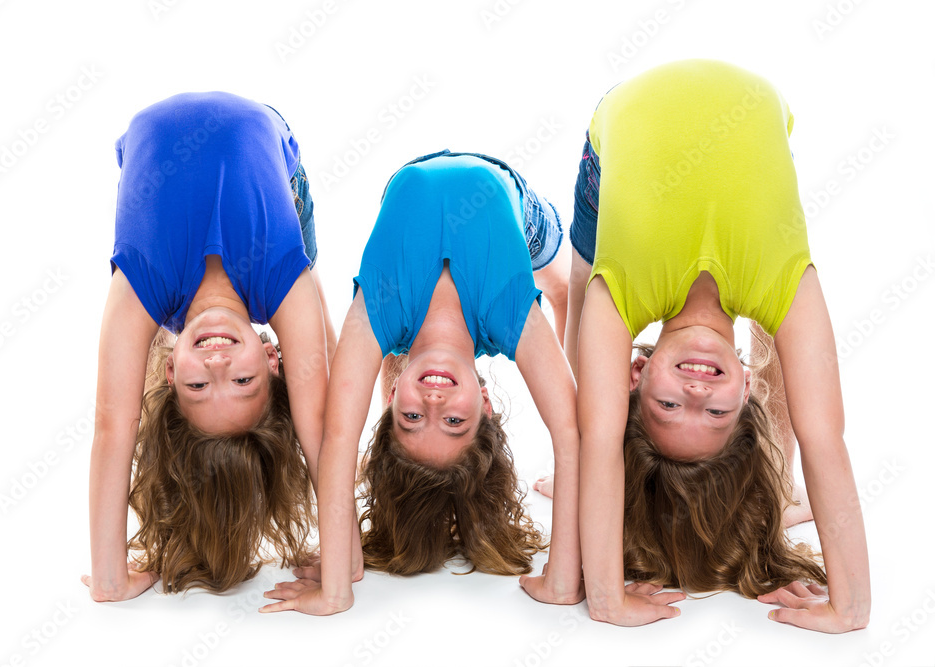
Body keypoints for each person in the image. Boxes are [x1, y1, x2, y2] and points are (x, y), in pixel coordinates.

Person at [557, 60, 870, 632]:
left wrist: (605, 599)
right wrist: (849, 607)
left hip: (618, 115)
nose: (698, 389)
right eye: (717, 409)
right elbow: (823, 433)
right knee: (790, 348)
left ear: (637, 370)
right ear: (746, 385)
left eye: (671, 406)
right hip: (757, 112)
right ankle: (780, 482)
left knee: (581, 313)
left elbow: (599, 436)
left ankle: (577, 472)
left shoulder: (621, 297)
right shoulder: (780, 285)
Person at [261, 150, 581, 614]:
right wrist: (562, 582)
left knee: (389, 354)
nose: (433, 400)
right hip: (522, 215)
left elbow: (337, 437)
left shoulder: (381, 308)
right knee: (564, 288)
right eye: (453, 421)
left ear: (389, 401)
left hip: (411, 174)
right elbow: (571, 434)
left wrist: (339, 579)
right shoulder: (508, 310)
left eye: (411, 418)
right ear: (485, 404)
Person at [81, 92, 336, 600]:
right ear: (270, 358)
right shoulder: (282, 279)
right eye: (242, 381)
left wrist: (110, 579)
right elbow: (320, 431)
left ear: (171, 370)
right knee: (316, 340)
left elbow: (114, 425)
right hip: (275, 149)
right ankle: (309, 353)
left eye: (199, 385)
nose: (218, 362)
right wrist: (341, 560)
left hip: (145, 141)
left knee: (309, 333)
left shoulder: (143, 285)